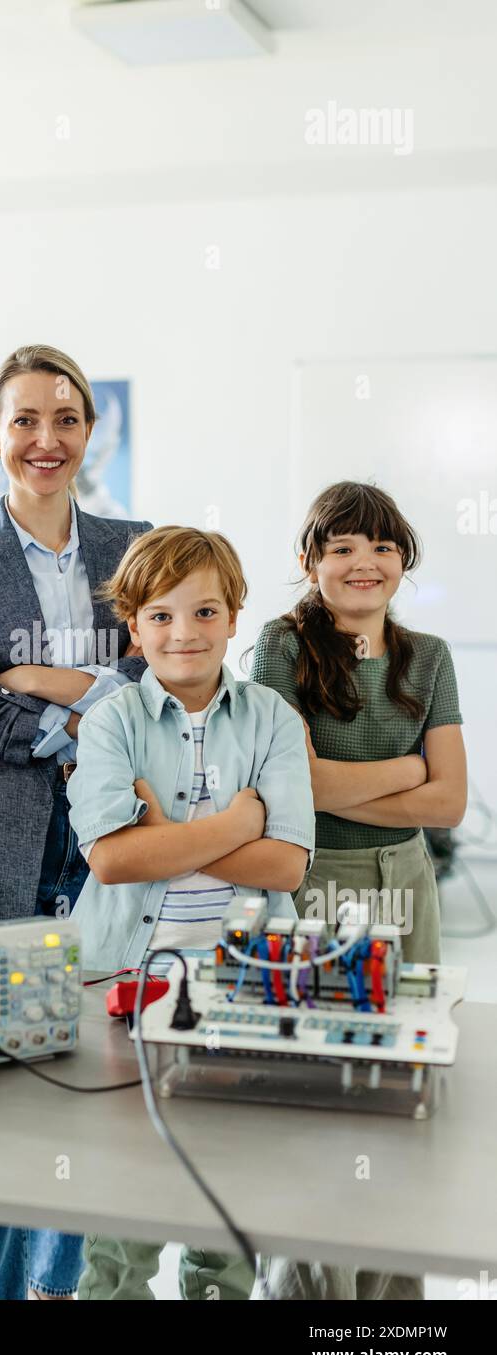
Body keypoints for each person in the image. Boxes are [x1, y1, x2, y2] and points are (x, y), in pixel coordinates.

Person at [0, 343, 151, 1299]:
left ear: (89, 432)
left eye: (65, 420)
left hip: (111, 849)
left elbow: (163, 674)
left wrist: (49, 690)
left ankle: (61, 1289)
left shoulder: (136, 547)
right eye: (25, 421)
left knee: (88, 1086)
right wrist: (98, 715)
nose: (45, 440)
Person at [65, 524, 315, 1299]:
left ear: (235, 618)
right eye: (163, 616)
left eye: (206, 612)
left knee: (225, 1202)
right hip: (124, 979)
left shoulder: (270, 716)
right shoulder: (112, 721)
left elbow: (288, 863)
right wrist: (237, 825)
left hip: (239, 988)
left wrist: (168, 837)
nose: (185, 633)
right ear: (134, 627)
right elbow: (110, 858)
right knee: (122, 1210)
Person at [250, 479, 467, 1300]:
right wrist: (410, 765)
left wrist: (347, 781)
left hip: (408, 881)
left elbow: (448, 803)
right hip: (317, 883)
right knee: (322, 1095)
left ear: (402, 561)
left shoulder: (430, 657)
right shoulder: (280, 648)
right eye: (340, 547)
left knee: (407, 1093)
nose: (362, 563)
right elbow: (290, 786)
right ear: (310, 563)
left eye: (380, 546)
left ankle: (390, 1319)